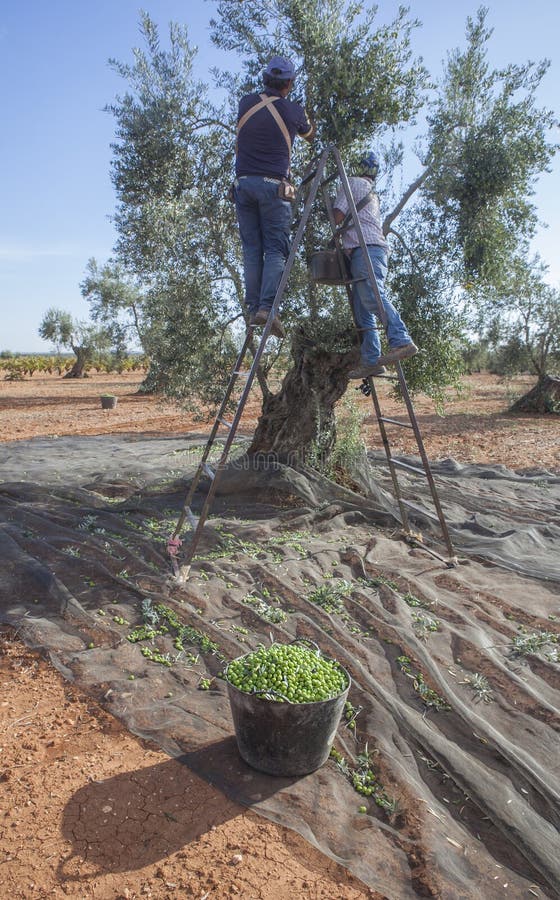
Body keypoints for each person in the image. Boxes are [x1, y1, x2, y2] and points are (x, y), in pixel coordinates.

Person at [234, 56, 315, 338]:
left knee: (252, 250)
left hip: (243, 186)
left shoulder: (246, 103)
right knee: (276, 250)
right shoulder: (293, 110)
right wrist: (300, 111)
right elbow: (309, 133)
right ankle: (267, 308)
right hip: (273, 186)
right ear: (289, 83)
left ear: (265, 78)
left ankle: (253, 307)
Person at [333, 152, 417, 378]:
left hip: (366, 249)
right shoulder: (370, 191)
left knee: (372, 295)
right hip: (369, 250)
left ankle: (401, 340)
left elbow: (337, 216)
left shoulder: (352, 183)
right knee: (363, 310)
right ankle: (371, 361)